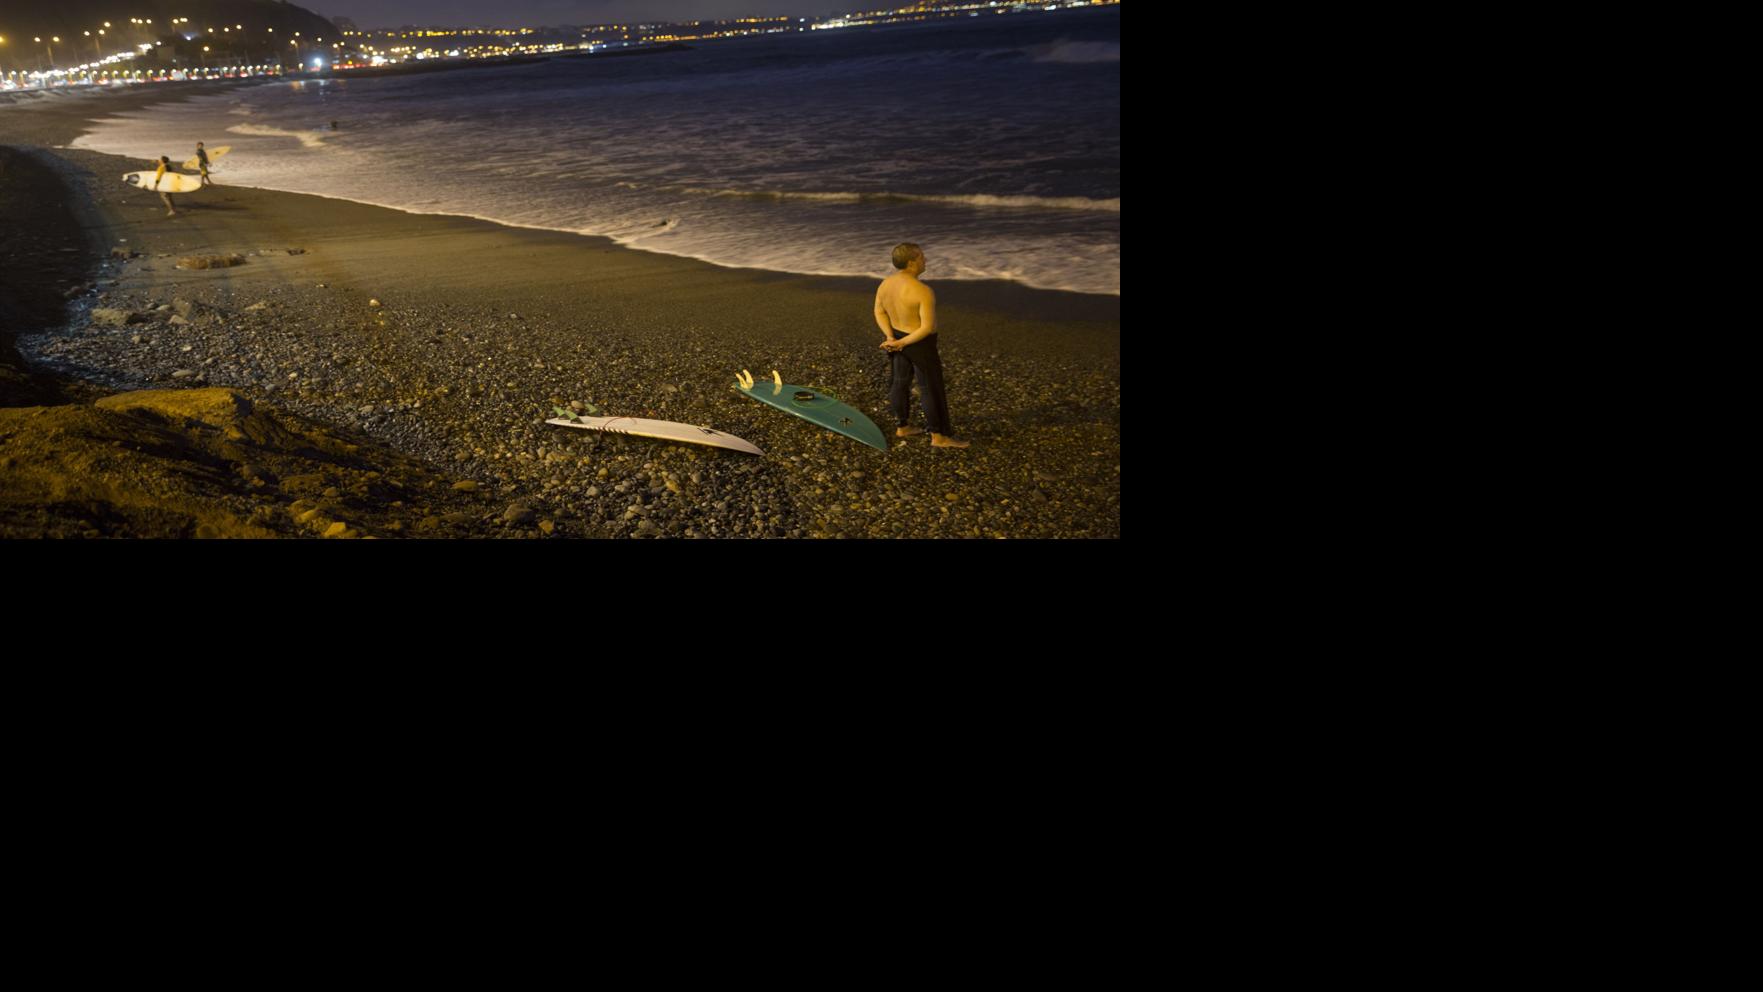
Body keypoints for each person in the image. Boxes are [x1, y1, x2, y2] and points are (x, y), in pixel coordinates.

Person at [874, 242, 968, 448]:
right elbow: (926, 328)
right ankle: (939, 436)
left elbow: (879, 312)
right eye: (921, 257)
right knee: (929, 388)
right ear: (911, 262)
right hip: (919, 343)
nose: (925, 260)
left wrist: (891, 337)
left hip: (898, 337)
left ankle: (902, 426)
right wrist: (900, 342)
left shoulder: (886, 284)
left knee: (899, 382)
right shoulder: (922, 291)